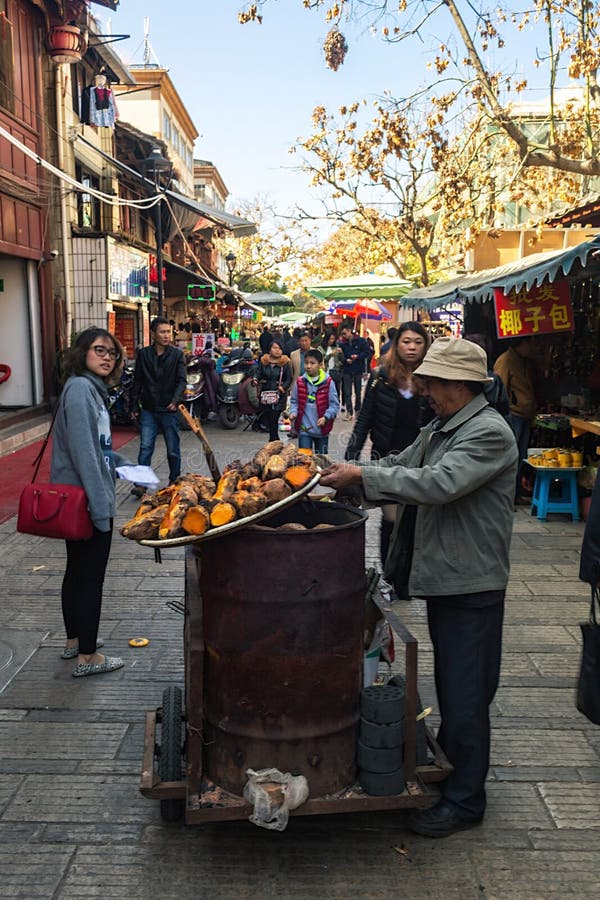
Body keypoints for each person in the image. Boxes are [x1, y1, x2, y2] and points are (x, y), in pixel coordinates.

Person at [321, 338, 518, 837]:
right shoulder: (442, 426)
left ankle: (465, 801)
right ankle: (454, 773)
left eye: (433, 383)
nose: (424, 390)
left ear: (461, 385)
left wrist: (362, 474)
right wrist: (351, 479)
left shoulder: (488, 433)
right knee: (456, 686)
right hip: (446, 575)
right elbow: (402, 464)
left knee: (466, 693)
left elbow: (437, 483)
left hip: (470, 580)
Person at [50, 327, 129, 678]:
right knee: (91, 578)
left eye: (112, 352)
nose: (107, 357)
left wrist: (129, 468)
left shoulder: (86, 390)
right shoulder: (82, 390)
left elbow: (99, 449)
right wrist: (101, 511)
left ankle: (74, 641)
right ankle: (87, 657)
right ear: (83, 352)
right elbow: (85, 454)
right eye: (99, 350)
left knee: (77, 572)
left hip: (77, 497)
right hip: (86, 499)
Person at [345, 322, 433, 568]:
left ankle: (407, 580)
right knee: (392, 519)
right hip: (386, 457)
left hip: (422, 461)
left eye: (418, 342)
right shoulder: (380, 378)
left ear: (426, 346)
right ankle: (390, 576)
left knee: (414, 521)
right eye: (406, 341)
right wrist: (351, 456)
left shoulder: (432, 379)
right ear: (397, 344)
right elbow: (364, 420)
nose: (412, 347)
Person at [130, 317, 187, 496]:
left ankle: (174, 479)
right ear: (153, 334)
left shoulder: (177, 355)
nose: (166, 335)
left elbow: (181, 381)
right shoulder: (144, 354)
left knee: (173, 448)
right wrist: (133, 406)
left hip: (169, 409)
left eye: (168, 332)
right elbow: (137, 381)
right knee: (146, 447)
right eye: (162, 332)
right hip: (149, 408)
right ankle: (141, 483)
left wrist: (175, 400)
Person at [493, 337, 538, 501]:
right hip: (514, 414)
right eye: (530, 343)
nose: (533, 346)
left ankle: (515, 493)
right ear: (522, 343)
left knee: (521, 456)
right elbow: (499, 387)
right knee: (510, 457)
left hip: (525, 414)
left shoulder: (525, 361)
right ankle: (505, 495)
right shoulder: (505, 360)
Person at [289, 348, 340, 454]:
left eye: (312, 363)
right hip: (304, 430)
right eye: (306, 363)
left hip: (321, 430)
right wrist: (293, 412)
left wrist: (326, 417)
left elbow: (334, 405)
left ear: (321, 364)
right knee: (304, 461)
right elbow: (294, 401)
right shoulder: (299, 382)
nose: (308, 366)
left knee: (321, 462)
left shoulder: (328, 383)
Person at [256, 337, 293, 440]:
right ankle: (274, 439)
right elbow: (258, 373)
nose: (277, 350)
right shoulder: (264, 361)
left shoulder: (285, 363)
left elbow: (289, 378)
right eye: (275, 348)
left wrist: (283, 388)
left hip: (278, 394)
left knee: (274, 417)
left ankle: (273, 439)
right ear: (269, 349)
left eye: (279, 348)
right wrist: (255, 379)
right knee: (268, 417)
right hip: (266, 393)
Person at [339, 325, 369, 420]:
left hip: (357, 369)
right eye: (342, 334)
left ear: (349, 331)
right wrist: (345, 360)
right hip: (347, 370)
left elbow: (367, 353)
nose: (344, 336)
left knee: (358, 391)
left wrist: (358, 356)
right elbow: (340, 357)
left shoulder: (361, 341)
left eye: (345, 333)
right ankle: (349, 411)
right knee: (347, 392)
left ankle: (358, 410)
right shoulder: (342, 344)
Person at [322, 331, 344, 400]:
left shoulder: (336, 347)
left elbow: (342, 359)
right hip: (325, 371)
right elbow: (322, 359)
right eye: (330, 339)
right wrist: (330, 354)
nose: (331, 341)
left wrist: (341, 353)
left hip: (335, 371)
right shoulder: (322, 348)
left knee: (336, 389)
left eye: (333, 339)